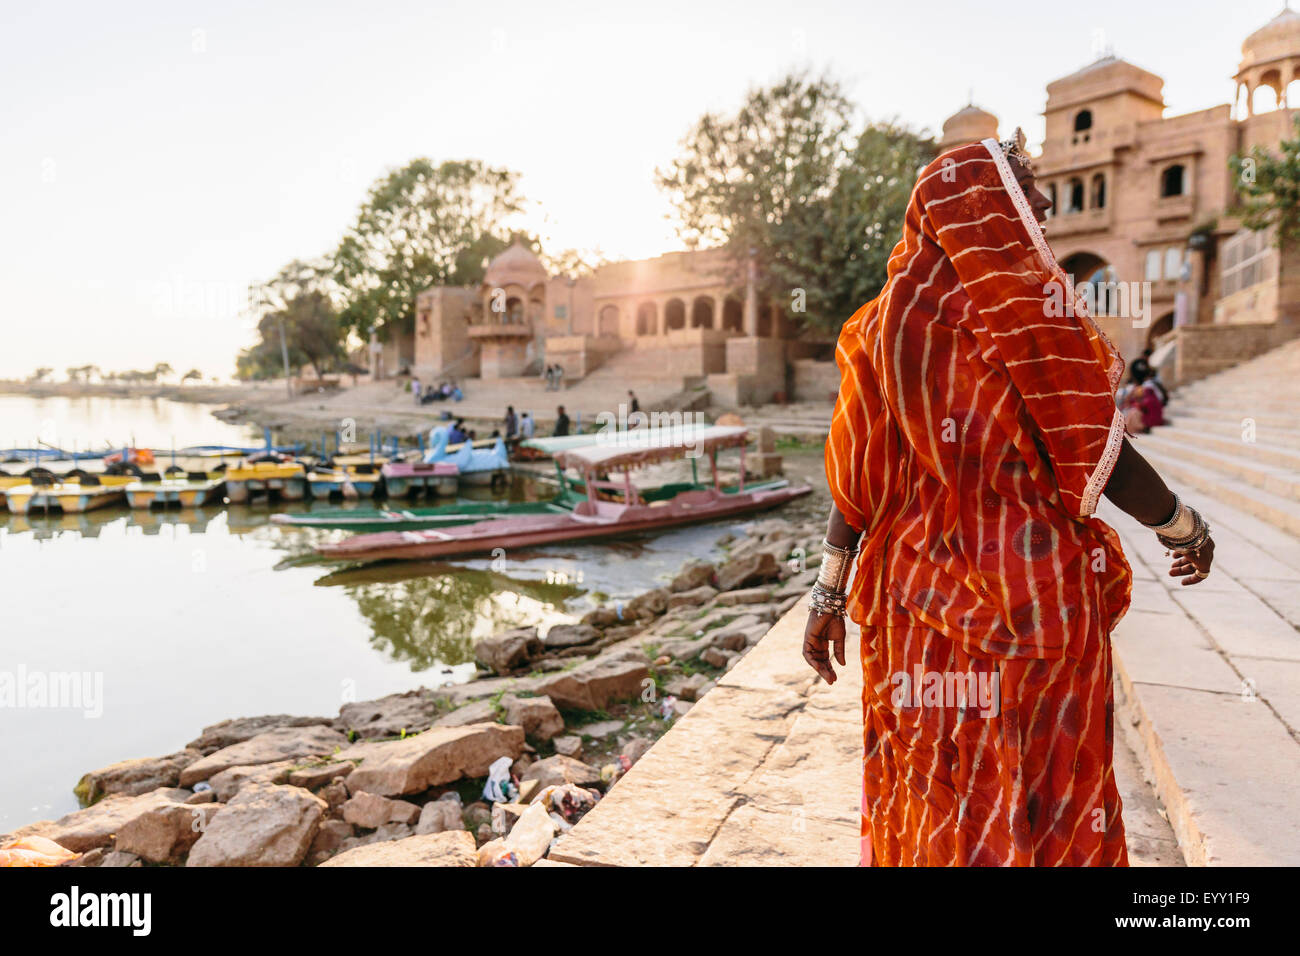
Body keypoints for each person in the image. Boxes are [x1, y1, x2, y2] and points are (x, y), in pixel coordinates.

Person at [805, 129, 1214, 868]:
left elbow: (856, 477)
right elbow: (1099, 449)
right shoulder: (1030, 312)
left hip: (914, 609)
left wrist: (827, 597)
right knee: (1046, 790)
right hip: (1034, 604)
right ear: (978, 206)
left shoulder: (882, 327)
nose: (1046, 204)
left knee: (935, 783)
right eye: (1025, 189)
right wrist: (1181, 526)